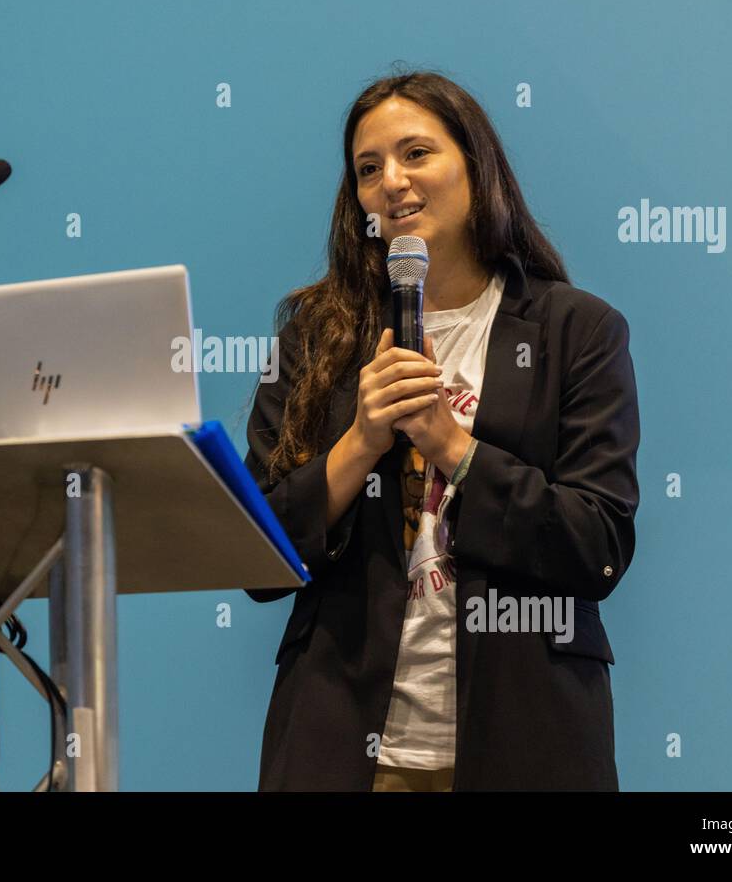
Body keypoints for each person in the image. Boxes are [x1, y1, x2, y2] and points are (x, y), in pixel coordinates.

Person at [242, 68, 641, 791]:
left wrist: (452, 447)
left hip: (526, 742)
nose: (391, 182)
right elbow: (257, 553)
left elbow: (598, 546)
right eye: (368, 169)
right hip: (346, 745)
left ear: (476, 167)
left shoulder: (575, 331)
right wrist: (362, 441)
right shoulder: (316, 337)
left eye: (415, 153)